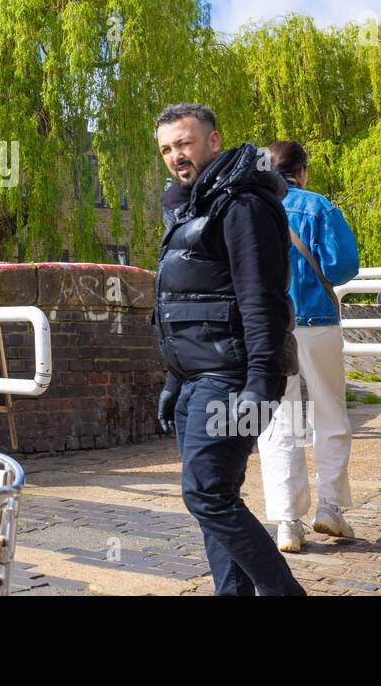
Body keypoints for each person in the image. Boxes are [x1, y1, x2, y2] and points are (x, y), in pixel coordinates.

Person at [154, 103, 305, 596]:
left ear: (214, 141)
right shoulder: (191, 205)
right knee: (217, 499)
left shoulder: (240, 205)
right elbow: (187, 302)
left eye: (185, 143)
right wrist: (174, 381)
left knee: (207, 494)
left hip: (232, 373)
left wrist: (262, 382)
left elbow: (260, 298)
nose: (176, 156)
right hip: (197, 378)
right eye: (167, 149)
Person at [257, 140, 360, 553]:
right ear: (301, 171)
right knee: (330, 415)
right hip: (316, 322)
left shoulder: (250, 206)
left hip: (269, 326)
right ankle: (331, 507)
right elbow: (342, 267)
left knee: (278, 421)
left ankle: (287, 521)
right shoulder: (318, 207)